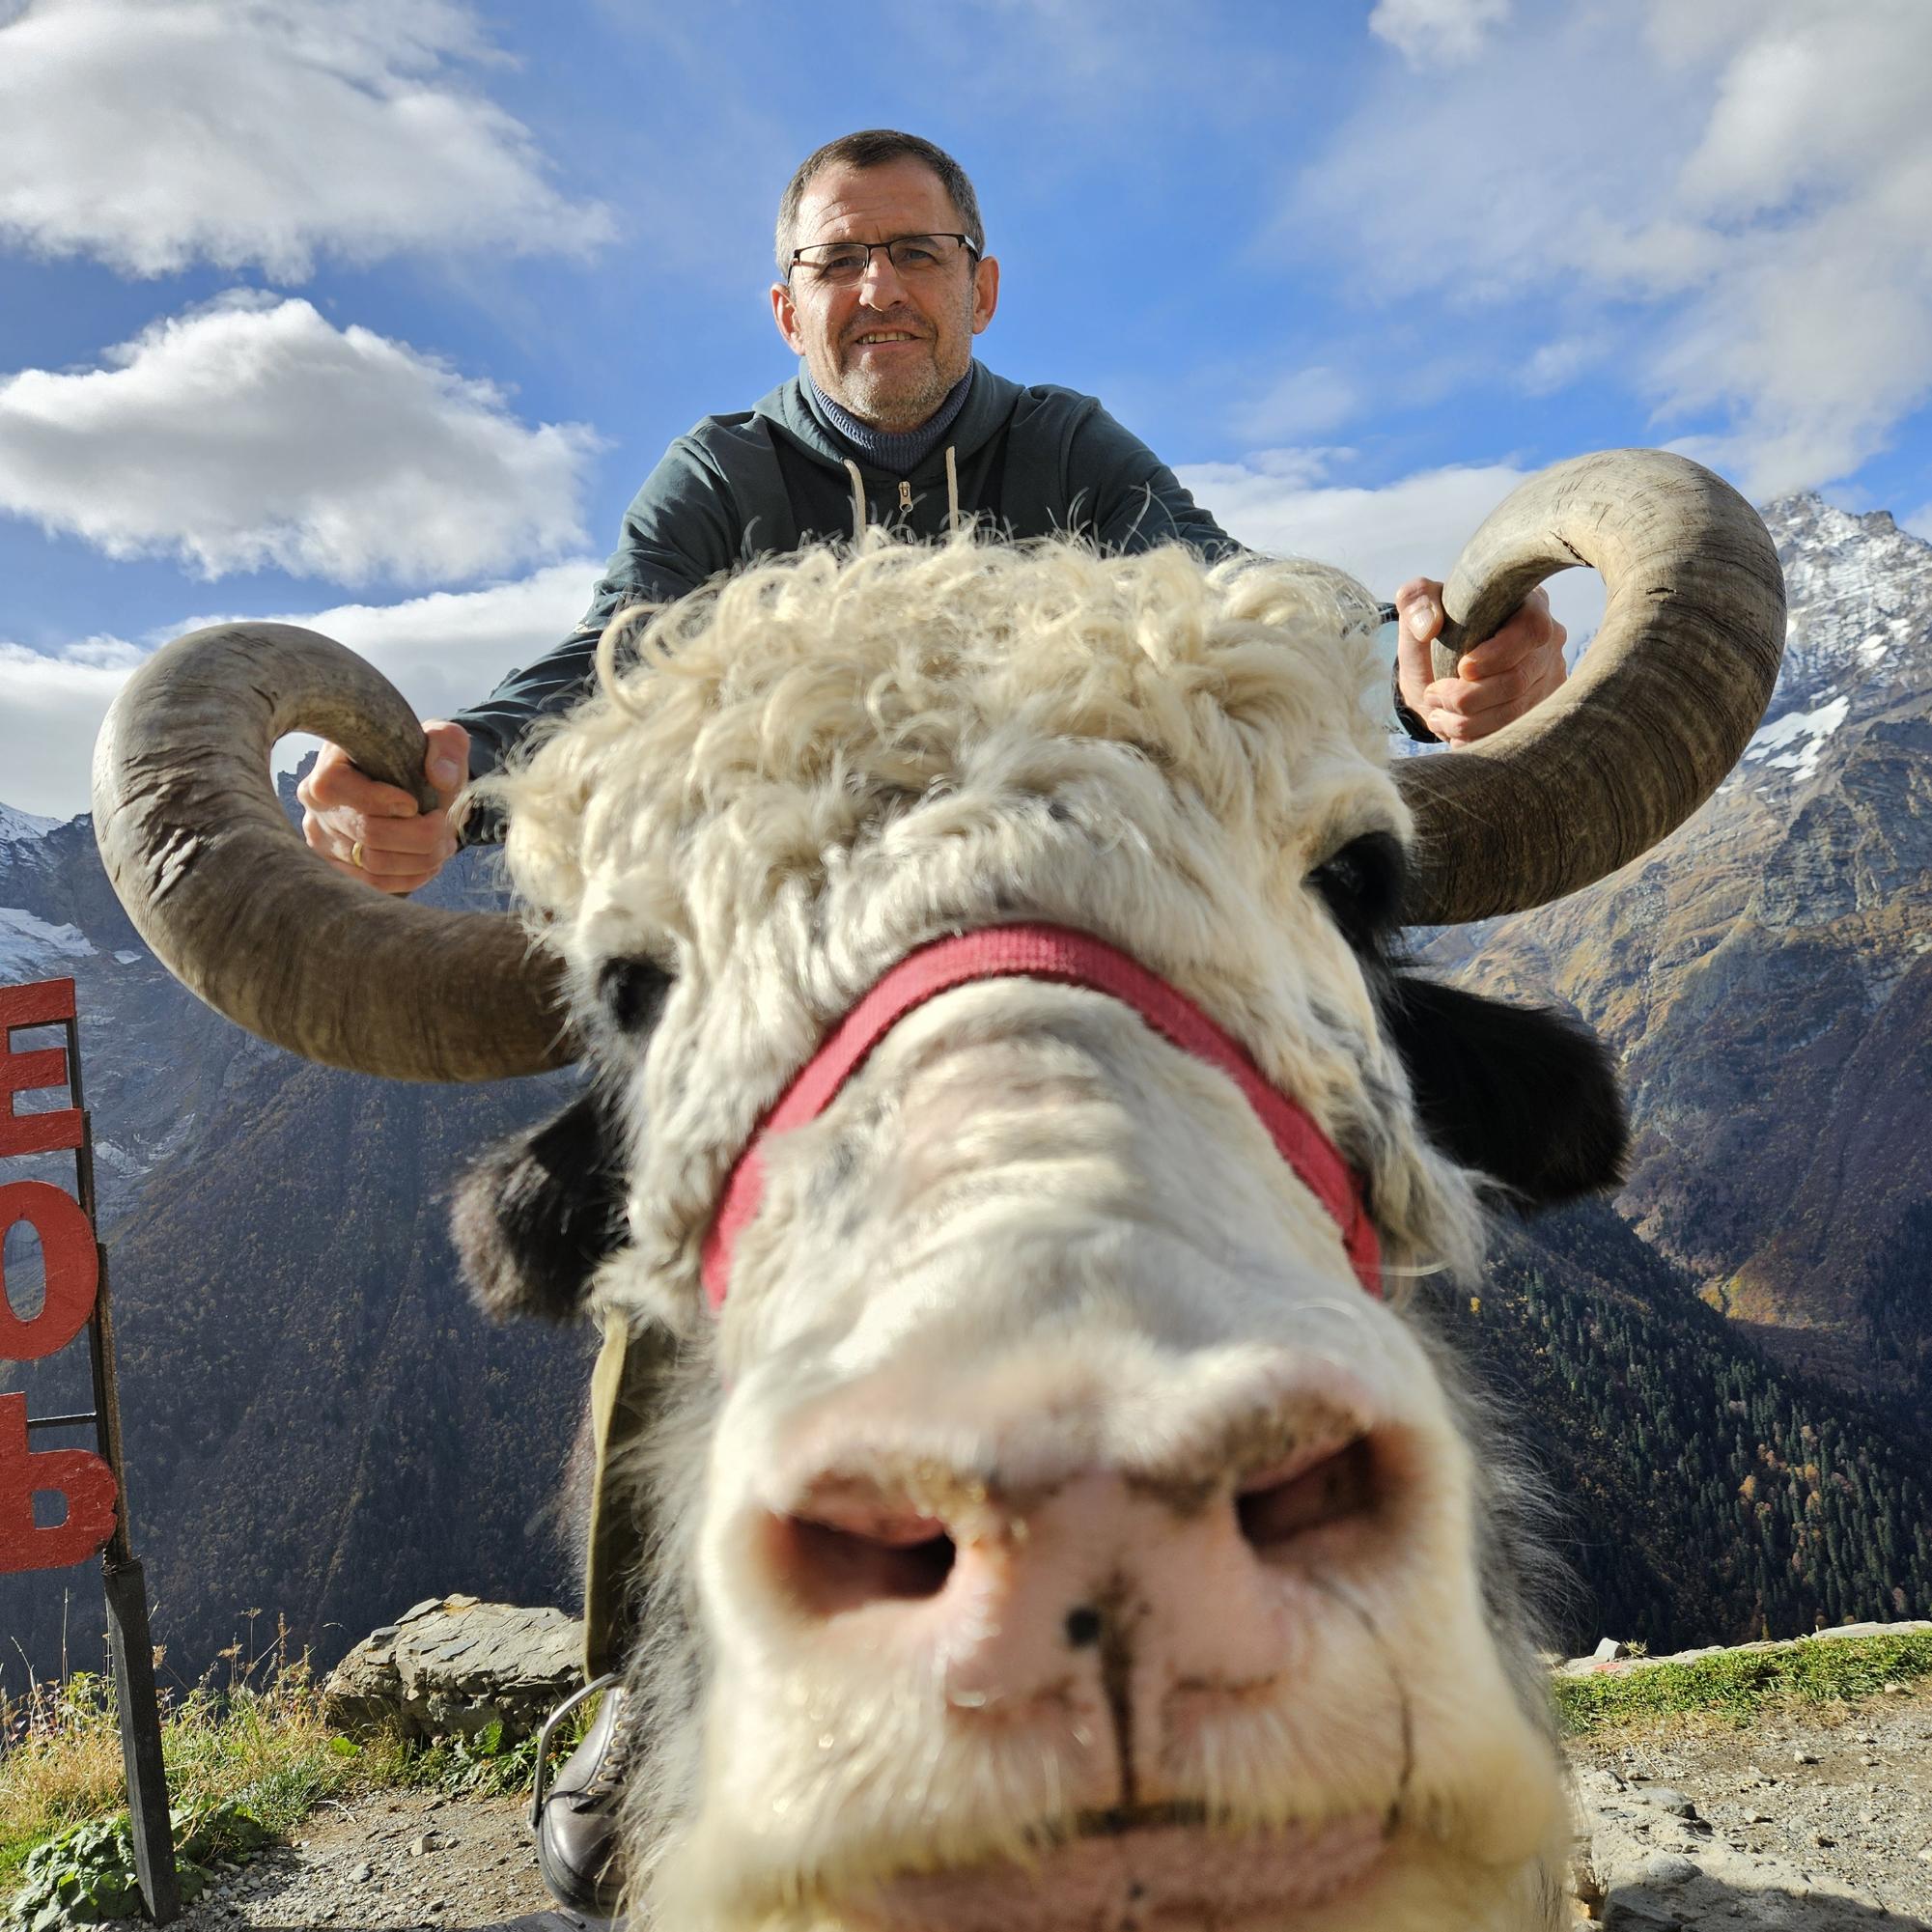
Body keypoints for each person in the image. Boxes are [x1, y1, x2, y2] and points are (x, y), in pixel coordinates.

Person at [297, 129, 1567, 1913]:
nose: (877, 288)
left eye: (917, 252)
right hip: (806, 980)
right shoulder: (718, 476)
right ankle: (645, 1697)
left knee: (1313, 1157)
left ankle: (1443, 1665)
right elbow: (592, 682)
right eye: (839, 261)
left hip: (1094, 933)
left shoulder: (1066, 447)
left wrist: (1425, 695)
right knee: (672, 1292)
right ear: (786, 301)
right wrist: (438, 781)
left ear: (982, 284)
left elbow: (1241, 621)